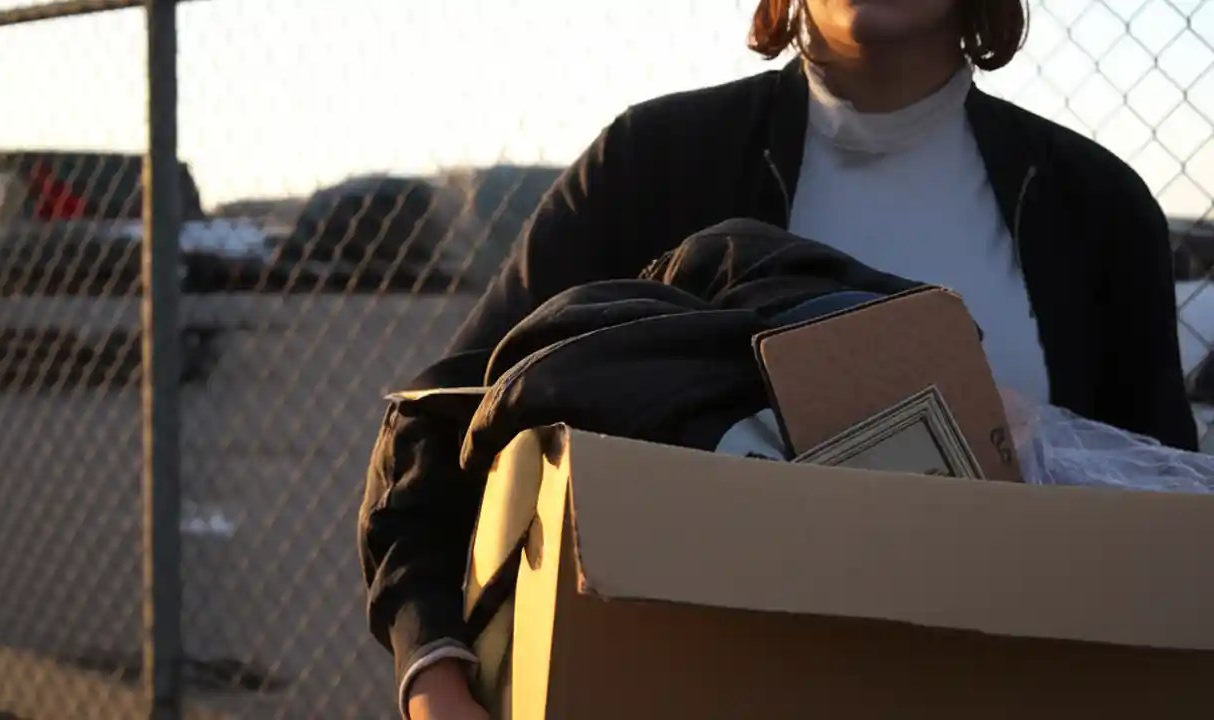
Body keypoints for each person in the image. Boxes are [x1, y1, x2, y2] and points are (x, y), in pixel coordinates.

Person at [361, 1, 1198, 718]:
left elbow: (1166, 539)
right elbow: (430, 425)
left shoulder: (1096, 211)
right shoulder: (653, 166)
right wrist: (434, 675)